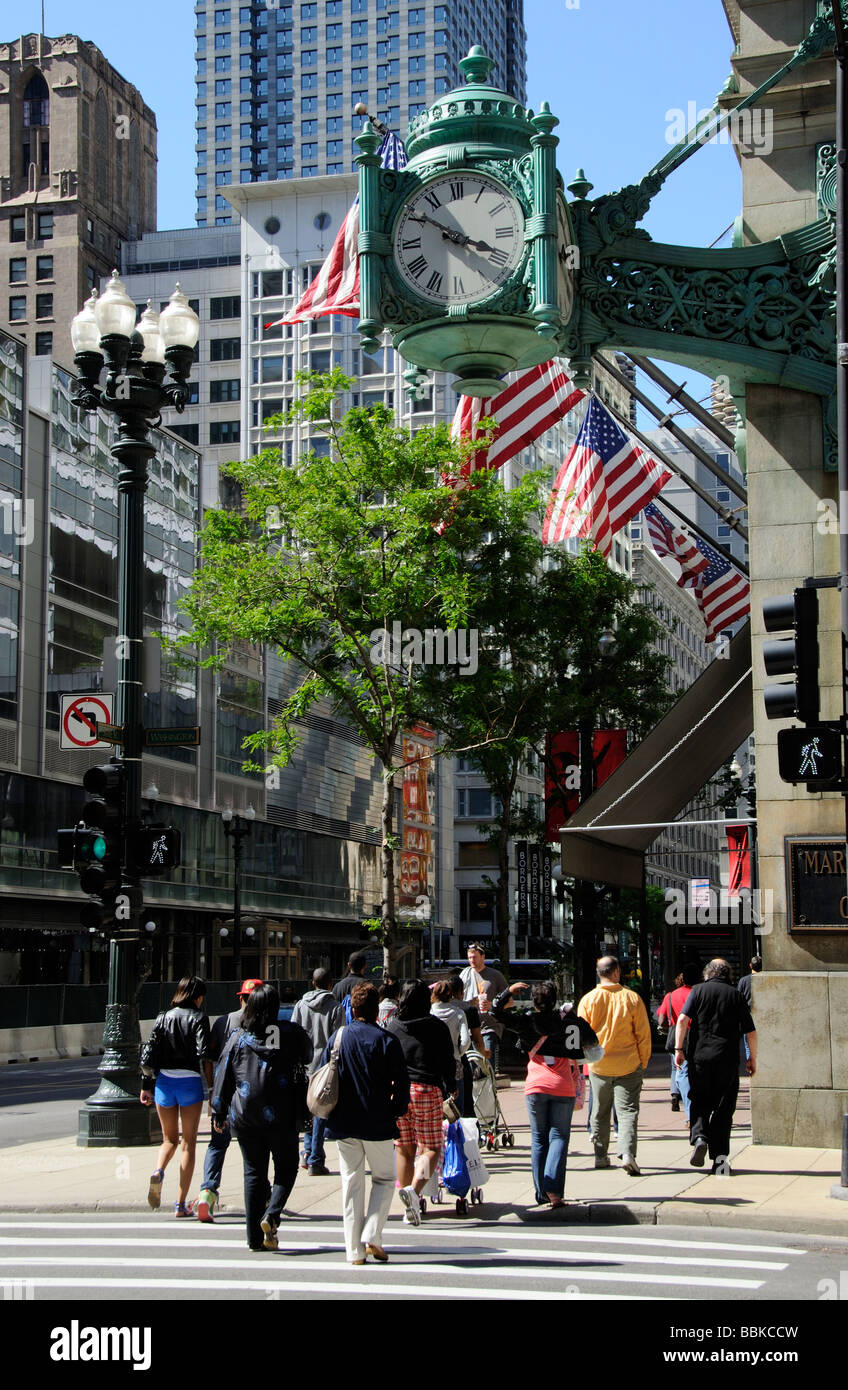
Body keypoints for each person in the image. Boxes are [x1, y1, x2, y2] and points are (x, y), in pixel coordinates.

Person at [211, 983, 312, 1251]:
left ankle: (253, 1238)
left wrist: (218, 1110)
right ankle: (273, 1213)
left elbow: (223, 1074)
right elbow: (308, 1054)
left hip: (245, 1114)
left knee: (253, 1173)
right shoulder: (289, 1032)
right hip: (282, 1112)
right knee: (287, 1167)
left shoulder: (238, 1036)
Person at [321, 981, 411, 1264]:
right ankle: (372, 1234)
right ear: (376, 1010)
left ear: (352, 1007)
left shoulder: (339, 1037)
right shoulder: (386, 1040)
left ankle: (353, 1251)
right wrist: (396, 1109)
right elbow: (402, 1081)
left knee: (351, 1184)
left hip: (344, 1120)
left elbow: (324, 1071)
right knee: (384, 1179)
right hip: (378, 1120)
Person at [493, 980, 602, 1208]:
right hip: (563, 1085)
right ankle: (554, 1190)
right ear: (556, 999)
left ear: (534, 1001)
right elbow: (593, 1042)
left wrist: (508, 992)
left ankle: (541, 1191)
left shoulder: (528, 1021)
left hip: (535, 1085)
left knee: (538, 1138)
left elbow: (496, 1011)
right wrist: (572, 1015)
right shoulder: (569, 1022)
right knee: (559, 1136)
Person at [675, 958, 757, 1175]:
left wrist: (679, 1049)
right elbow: (750, 1031)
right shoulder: (735, 994)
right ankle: (720, 1162)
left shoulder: (698, 991)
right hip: (727, 1060)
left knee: (699, 1100)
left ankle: (700, 1136)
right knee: (723, 1109)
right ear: (728, 973)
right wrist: (752, 1059)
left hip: (700, 1058)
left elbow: (682, 1019)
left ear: (708, 974)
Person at [385, 979, 457, 1226]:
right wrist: (452, 1085)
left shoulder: (392, 1025)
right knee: (431, 1148)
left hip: (398, 1091)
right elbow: (448, 1060)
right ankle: (413, 1193)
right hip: (427, 1089)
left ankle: (407, 1198)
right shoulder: (436, 1026)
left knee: (404, 1147)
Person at [140, 975, 213, 1217]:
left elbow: (149, 1052)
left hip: (164, 1082)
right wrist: (211, 1087)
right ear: (198, 997)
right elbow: (204, 1054)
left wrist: (146, 1085)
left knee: (168, 1140)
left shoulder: (163, 1017)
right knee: (188, 1143)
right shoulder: (200, 1018)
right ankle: (180, 1205)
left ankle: (159, 1171)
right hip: (189, 1082)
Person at [195, 977, 263, 1222]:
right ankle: (261, 1198)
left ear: (241, 998)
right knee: (255, 1151)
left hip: (224, 1096)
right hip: (252, 1099)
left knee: (217, 1144)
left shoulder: (224, 1021)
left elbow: (208, 1058)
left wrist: (213, 1088)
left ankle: (207, 1192)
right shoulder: (267, 1024)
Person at [577, 955, 652, 1176]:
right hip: (628, 1063)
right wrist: (643, 1061)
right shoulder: (632, 998)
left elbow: (582, 1036)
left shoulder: (588, 1000)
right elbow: (643, 1034)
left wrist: (586, 1063)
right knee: (628, 1111)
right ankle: (627, 1154)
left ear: (599, 974)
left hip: (599, 1065)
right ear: (617, 972)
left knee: (599, 1111)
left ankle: (600, 1156)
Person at [291, 968, 345, 1176]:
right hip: (324, 1067)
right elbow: (337, 1039)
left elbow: (294, 1033)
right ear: (330, 983)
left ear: (313, 983)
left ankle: (307, 1152)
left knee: (308, 1110)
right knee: (320, 1112)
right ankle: (315, 1158)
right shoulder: (335, 1007)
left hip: (303, 1066)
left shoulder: (300, 1005)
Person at [656, 963, 701, 1121]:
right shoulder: (698, 993)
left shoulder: (670, 996)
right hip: (696, 1036)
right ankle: (693, 1111)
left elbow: (662, 1019)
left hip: (677, 1036)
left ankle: (675, 1094)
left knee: (678, 1069)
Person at [460, 943, 508, 1076]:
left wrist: (492, 1005)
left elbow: (509, 1002)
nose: (472, 960)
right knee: (470, 1068)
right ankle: (474, 1095)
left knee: (486, 1065)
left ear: (483, 957)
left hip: (489, 1026)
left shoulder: (495, 975)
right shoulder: (464, 975)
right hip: (469, 1027)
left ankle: (490, 1091)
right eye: (469, 958)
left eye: (474, 957)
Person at [449, 973, 488, 1118]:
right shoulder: (467, 1010)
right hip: (460, 1059)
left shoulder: (434, 1010)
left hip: (438, 1062)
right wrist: (484, 1053)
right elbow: (476, 1038)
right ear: (461, 992)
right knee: (464, 1100)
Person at [430, 978, 471, 1113]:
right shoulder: (459, 1013)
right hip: (454, 1061)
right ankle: (456, 1132)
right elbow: (466, 1041)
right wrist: (458, 1053)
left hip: (433, 1063)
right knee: (457, 1106)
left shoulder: (429, 1013)